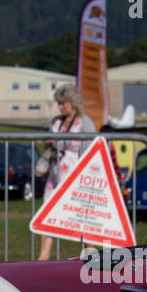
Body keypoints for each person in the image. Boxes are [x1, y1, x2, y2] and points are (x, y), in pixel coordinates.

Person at [36, 86, 96, 260]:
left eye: (63, 104)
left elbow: (91, 149)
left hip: (77, 176)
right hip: (55, 176)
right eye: (59, 104)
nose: (61, 107)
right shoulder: (56, 122)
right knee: (48, 216)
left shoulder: (85, 123)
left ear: (73, 102)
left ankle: (90, 253)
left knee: (84, 215)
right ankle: (43, 256)